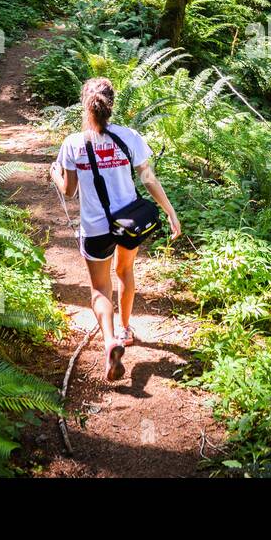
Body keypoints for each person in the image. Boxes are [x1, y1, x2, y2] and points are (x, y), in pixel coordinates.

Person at [49, 77, 181, 381]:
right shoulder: (129, 137)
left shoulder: (73, 144)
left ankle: (110, 341)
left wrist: (55, 172)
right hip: (128, 225)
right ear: (111, 105)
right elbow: (148, 179)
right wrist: (169, 211)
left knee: (99, 288)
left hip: (95, 229)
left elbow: (68, 191)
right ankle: (125, 329)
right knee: (125, 272)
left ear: (84, 104)